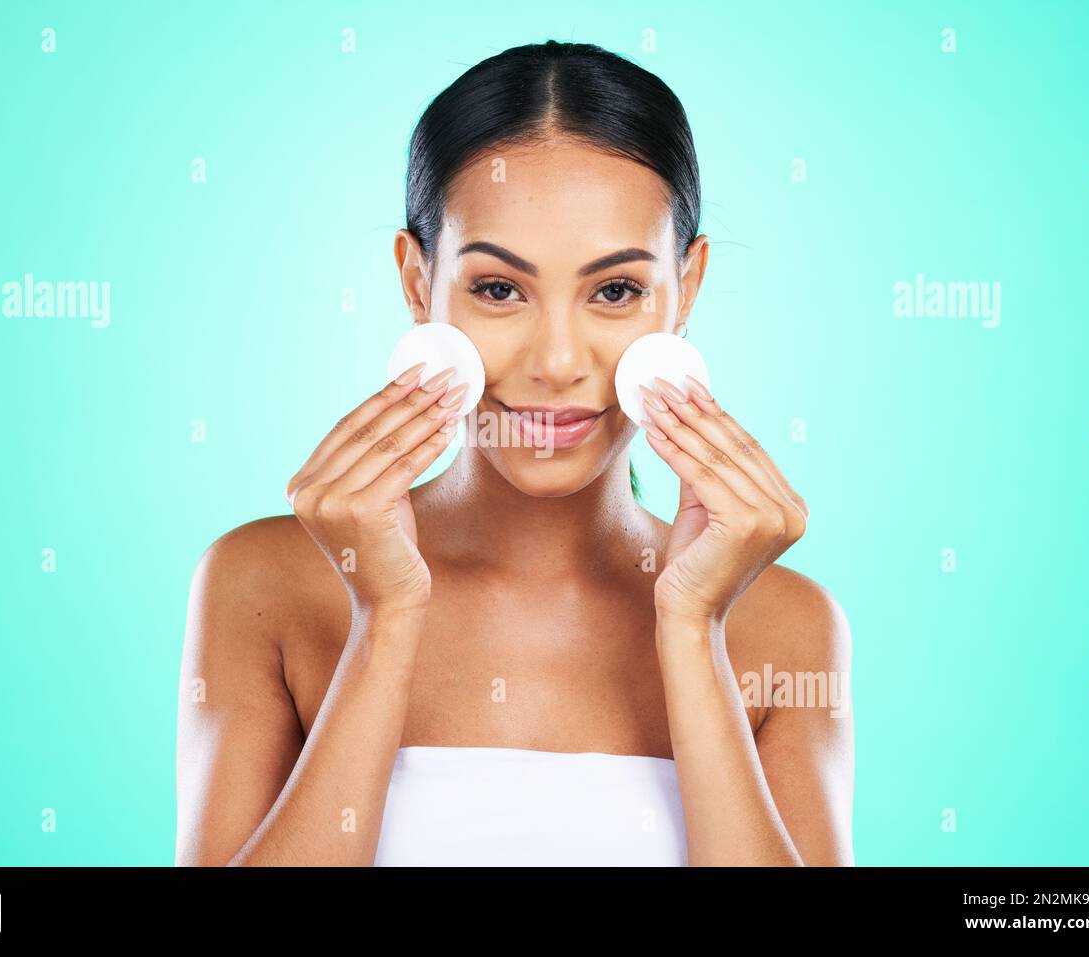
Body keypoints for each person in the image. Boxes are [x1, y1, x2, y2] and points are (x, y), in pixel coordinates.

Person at [176, 39, 854, 866]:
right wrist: (383, 620)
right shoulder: (265, 585)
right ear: (418, 283)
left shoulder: (784, 626)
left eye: (616, 290)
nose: (559, 362)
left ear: (689, 288)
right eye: (499, 290)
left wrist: (693, 629)